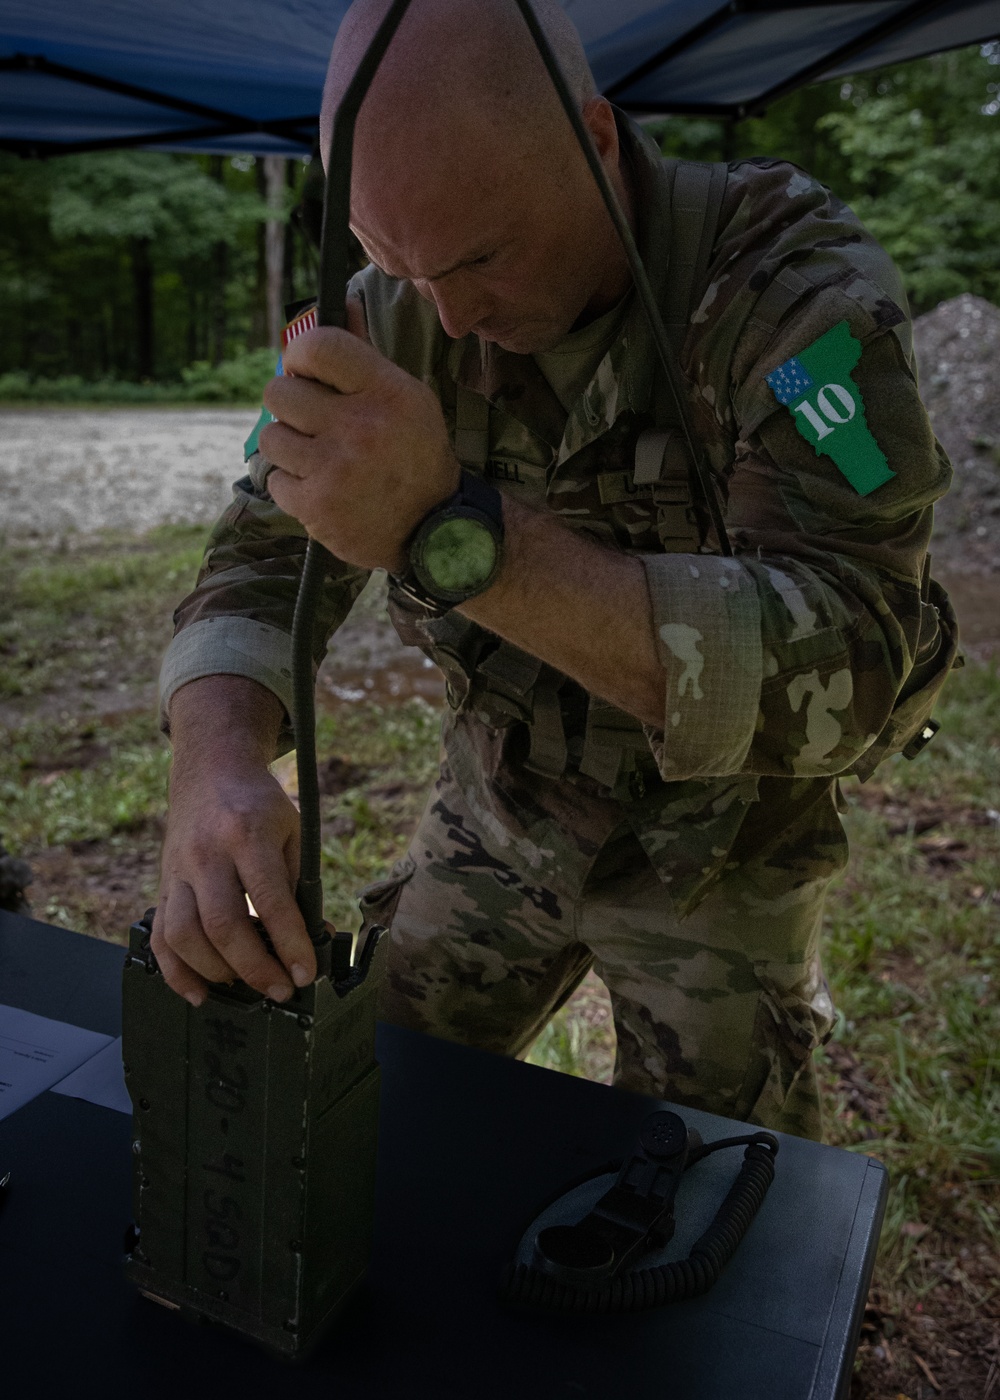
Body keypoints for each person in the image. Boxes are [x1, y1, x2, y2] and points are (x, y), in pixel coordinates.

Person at [151, 0, 954, 1140]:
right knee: (345, 1109)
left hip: (723, 844)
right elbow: (258, 549)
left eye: (481, 254)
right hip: (504, 799)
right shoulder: (394, 304)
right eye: (390, 259)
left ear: (596, 136)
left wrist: (448, 526)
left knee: (727, 1210)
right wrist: (214, 759)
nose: (449, 314)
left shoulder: (790, 295)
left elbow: (862, 658)